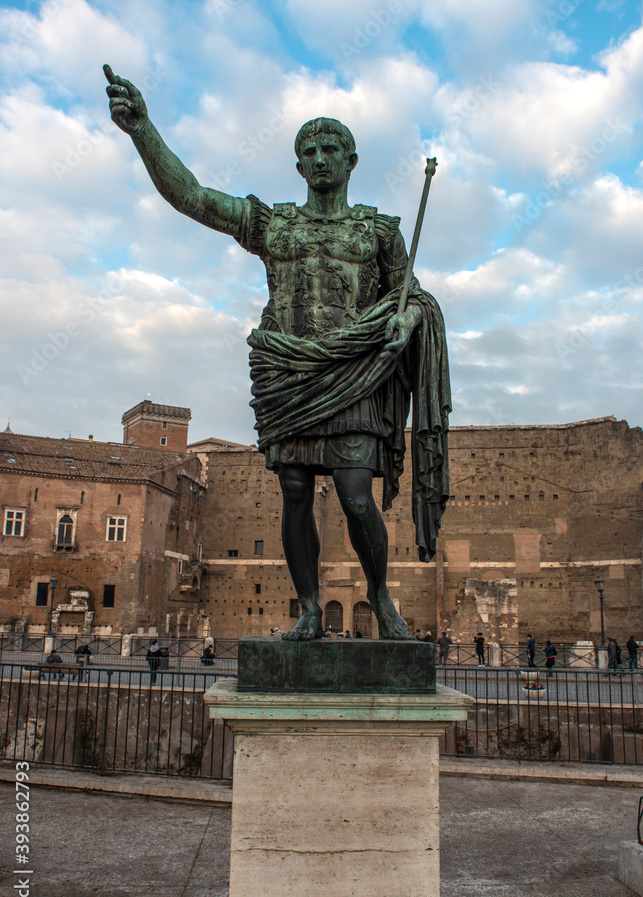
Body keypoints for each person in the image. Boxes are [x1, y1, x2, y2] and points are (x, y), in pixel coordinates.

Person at [104, 67, 450, 643]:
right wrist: (143, 130)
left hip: (352, 377)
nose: (319, 157)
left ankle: (382, 597)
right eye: (308, 150)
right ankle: (310, 610)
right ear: (298, 166)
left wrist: (409, 317)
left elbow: (410, 294)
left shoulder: (378, 231)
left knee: (356, 494)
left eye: (330, 148)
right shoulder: (275, 224)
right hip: (287, 375)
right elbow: (192, 198)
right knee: (293, 492)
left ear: (351, 161)